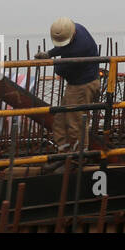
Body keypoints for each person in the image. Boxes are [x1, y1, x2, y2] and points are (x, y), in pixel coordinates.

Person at [37, 18, 101, 152]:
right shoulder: (77, 28)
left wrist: (54, 63)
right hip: (78, 84)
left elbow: (61, 70)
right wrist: (50, 54)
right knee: (60, 119)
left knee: (76, 123)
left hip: (82, 86)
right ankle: (64, 150)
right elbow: (64, 46)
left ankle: (79, 155)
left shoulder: (78, 50)